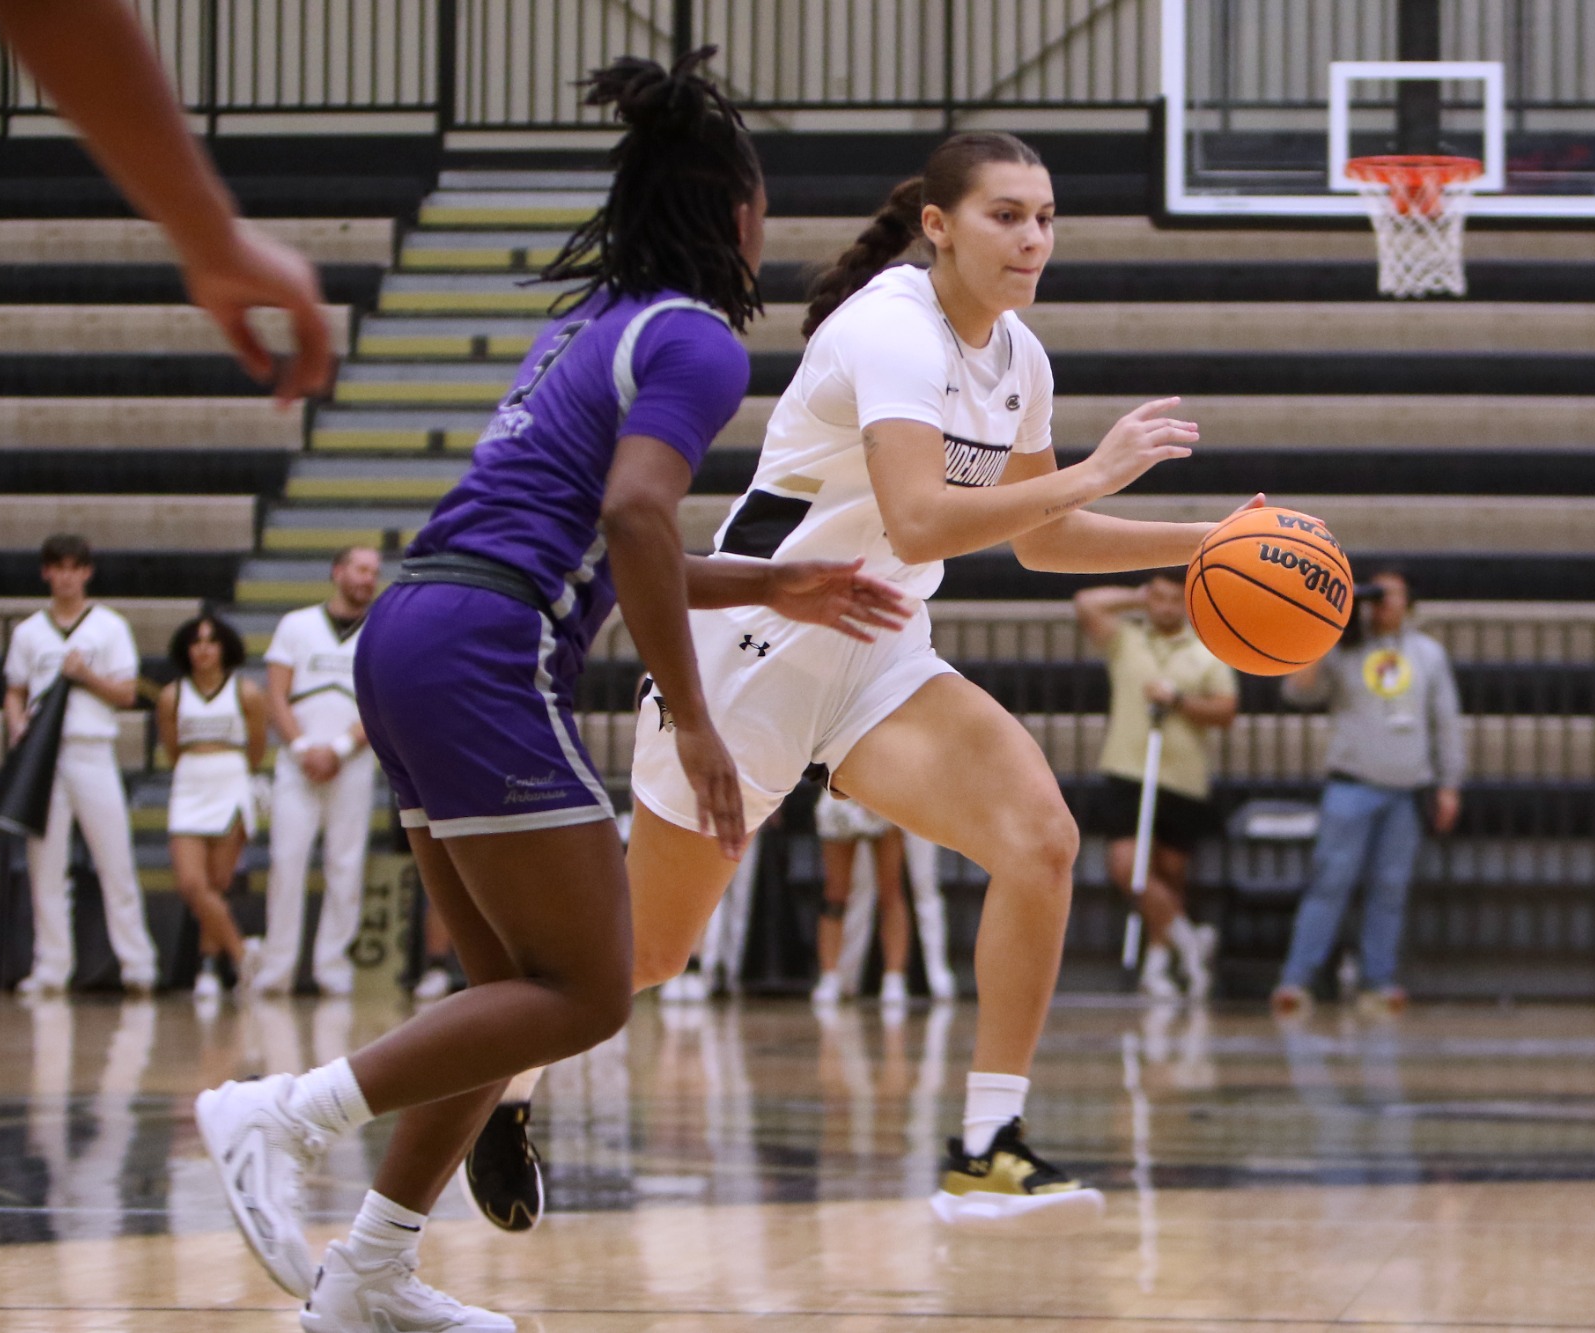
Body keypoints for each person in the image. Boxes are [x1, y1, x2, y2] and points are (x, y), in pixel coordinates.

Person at [195, 51, 904, 1329]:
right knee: (583, 987)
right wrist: (693, 721)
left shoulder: (591, 325)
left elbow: (607, 532)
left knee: (503, 994)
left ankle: (365, 1278)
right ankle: (279, 1115)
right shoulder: (695, 342)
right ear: (732, 215)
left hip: (414, 621)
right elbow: (633, 517)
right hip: (482, 646)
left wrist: (768, 585)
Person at [466, 128, 1260, 1235]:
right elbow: (920, 515)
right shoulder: (890, 326)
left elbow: (1042, 539)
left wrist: (1206, 539)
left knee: (1040, 839)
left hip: (878, 643)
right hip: (754, 645)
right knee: (642, 954)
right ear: (937, 226)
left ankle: (988, 1144)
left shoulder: (1018, 358)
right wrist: (1090, 468)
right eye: (1004, 214)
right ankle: (497, 1080)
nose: (1031, 235)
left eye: (1043, 216)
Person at [0, 0, 333, 1322]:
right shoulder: (32, 630)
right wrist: (202, 224)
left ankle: (125, 968)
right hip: (51, 742)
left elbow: (127, 697)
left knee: (110, 876)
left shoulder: (120, 633)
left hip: (121, 750)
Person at [1270, 570, 1464, 1017]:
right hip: (1351, 786)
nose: (1382, 605)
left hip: (1406, 791)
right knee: (1329, 884)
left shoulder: (1428, 655)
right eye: (1374, 596)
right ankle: (1297, 980)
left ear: (1409, 604)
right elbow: (1297, 691)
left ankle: (1378, 980)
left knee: (1390, 889)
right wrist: (1328, 628)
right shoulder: (1343, 650)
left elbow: (1446, 721)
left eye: (1390, 596)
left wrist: (1449, 783)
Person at [2, 533, 160, 995]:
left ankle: (137, 963)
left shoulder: (108, 626)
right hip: (43, 759)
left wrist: (86, 676)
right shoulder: (29, 631)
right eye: (58, 567)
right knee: (45, 865)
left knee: (115, 859)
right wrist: (16, 726)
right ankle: (51, 966)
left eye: (75, 567)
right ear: (46, 572)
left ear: (87, 573)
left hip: (92, 750)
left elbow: (128, 693)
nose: (67, 576)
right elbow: (14, 689)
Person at [1075, 572, 1237, 1000]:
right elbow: (1086, 602)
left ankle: (1159, 966)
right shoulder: (1127, 639)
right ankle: (1190, 941)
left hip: (1182, 778)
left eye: (1173, 599)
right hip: (1128, 769)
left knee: (1169, 873)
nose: (1165, 607)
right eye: (1158, 598)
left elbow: (1226, 709)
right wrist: (1135, 595)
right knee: (1128, 865)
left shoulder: (1207, 651)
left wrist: (1179, 702)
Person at [256, 546, 380, 997]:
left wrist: (343, 748)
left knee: (345, 866)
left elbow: (385, 701)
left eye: (374, 571)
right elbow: (275, 696)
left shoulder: (381, 629)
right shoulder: (296, 625)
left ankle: (333, 968)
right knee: (286, 864)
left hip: (354, 764)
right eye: (361, 568)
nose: (368, 578)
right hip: (296, 765)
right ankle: (276, 970)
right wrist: (304, 747)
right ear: (338, 571)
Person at [156, 613, 267, 1000]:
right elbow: (171, 748)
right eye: (196, 642)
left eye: (211, 641)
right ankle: (242, 953)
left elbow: (257, 749)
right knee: (192, 884)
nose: (203, 649)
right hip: (189, 784)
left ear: (225, 648)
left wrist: (230, 771)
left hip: (231, 781)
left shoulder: (247, 693)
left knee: (218, 884)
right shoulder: (172, 696)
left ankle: (208, 970)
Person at [811, 790, 913, 1005]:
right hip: (840, 793)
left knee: (890, 890)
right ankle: (829, 976)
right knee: (835, 893)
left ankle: (894, 978)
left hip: (884, 792)